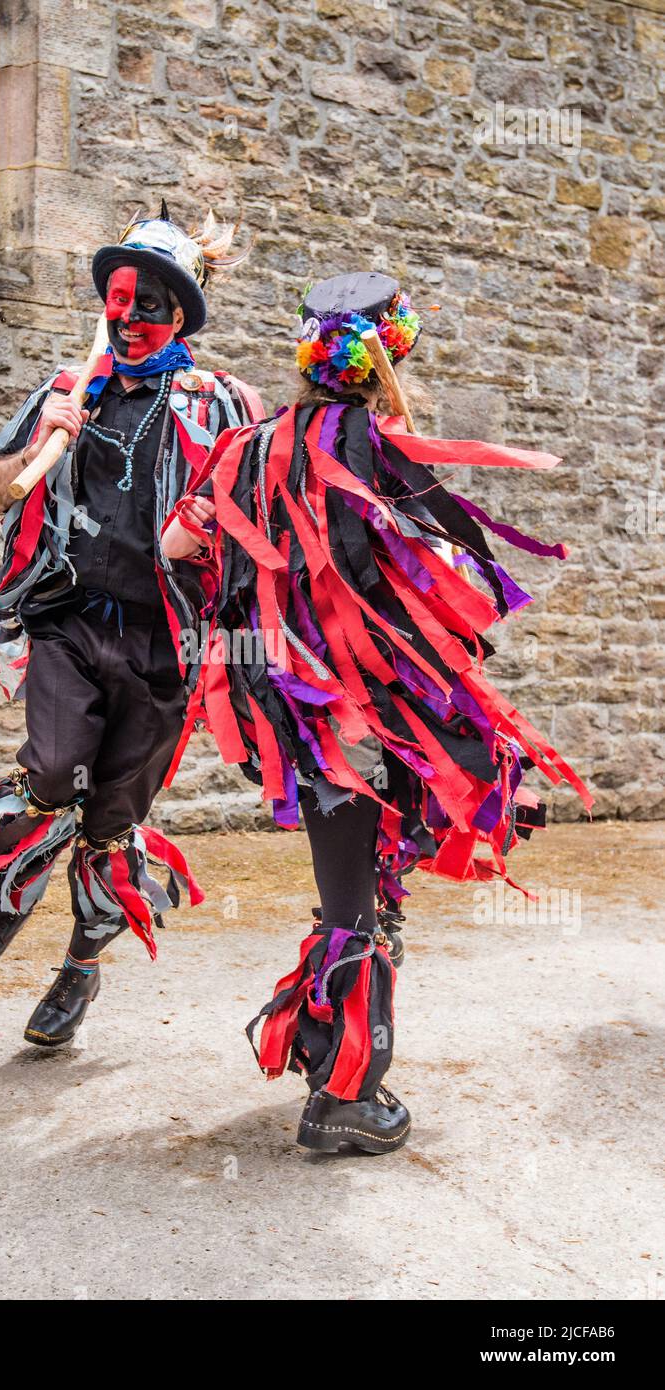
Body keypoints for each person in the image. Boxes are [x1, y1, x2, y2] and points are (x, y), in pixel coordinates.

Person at [161, 270, 590, 1155]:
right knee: (359, 898)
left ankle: (334, 1062)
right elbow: (446, 579)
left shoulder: (243, 447)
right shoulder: (380, 448)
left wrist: (236, 615)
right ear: (384, 360)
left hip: (291, 715)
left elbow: (176, 545)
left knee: (352, 884)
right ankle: (345, 1095)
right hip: (379, 715)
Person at [0, 204, 262, 1048]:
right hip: (70, 620)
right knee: (49, 771)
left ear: (181, 314)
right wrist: (40, 439)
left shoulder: (222, 406)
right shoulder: (67, 391)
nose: (129, 318)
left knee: (113, 820)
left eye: (150, 303)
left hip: (166, 646)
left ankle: (79, 970)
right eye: (119, 301)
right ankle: (4, 895)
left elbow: (263, 523)